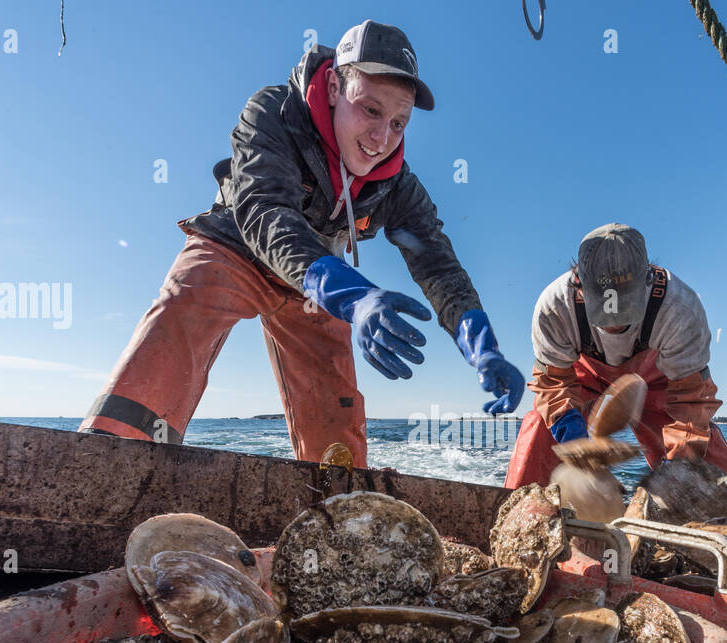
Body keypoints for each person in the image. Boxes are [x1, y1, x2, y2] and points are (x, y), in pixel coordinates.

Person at [80, 20, 524, 465]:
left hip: (313, 288)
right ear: (333, 86)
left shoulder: (398, 188)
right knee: (184, 310)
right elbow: (267, 212)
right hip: (237, 247)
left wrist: (483, 348)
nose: (381, 139)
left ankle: (338, 510)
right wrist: (356, 298)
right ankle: (109, 464)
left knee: (335, 413)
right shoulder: (273, 112)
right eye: (370, 111)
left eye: (398, 123)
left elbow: (438, 266)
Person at [504, 223, 727, 517]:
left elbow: (691, 403)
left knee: (708, 466)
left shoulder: (680, 309)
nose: (613, 326)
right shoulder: (554, 307)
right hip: (583, 381)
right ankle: (518, 527)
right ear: (578, 283)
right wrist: (577, 445)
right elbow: (554, 386)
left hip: (659, 385)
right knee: (537, 430)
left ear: (648, 280)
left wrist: (677, 471)